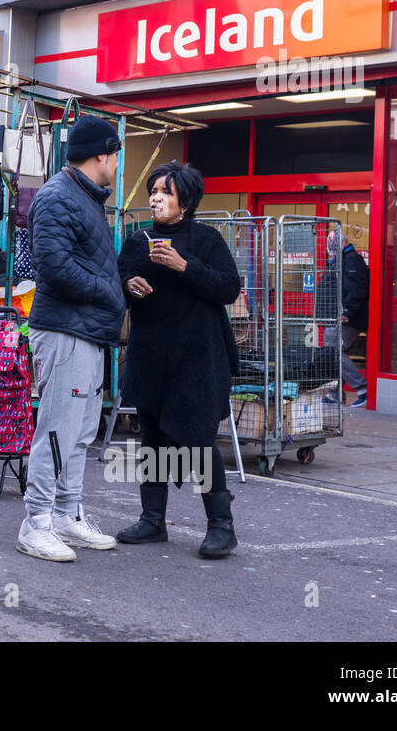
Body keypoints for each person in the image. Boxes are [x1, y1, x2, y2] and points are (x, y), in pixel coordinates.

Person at [115, 161, 242, 559]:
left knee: (199, 441)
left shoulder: (206, 240)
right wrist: (128, 285)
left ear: (185, 202)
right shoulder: (138, 240)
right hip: (152, 353)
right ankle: (153, 520)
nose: (156, 198)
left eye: (166, 192)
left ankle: (221, 525)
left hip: (197, 357)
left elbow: (229, 288)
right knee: (151, 436)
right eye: (153, 191)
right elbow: (119, 279)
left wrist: (184, 267)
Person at [18, 114, 124, 562]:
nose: (117, 164)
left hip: (85, 330)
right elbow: (55, 267)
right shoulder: (59, 196)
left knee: (81, 431)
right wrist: (109, 292)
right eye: (116, 155)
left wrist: (119, 287)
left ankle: (66, 514)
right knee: (58, 429)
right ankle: (36, 522)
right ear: (101, 154)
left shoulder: (82, 197)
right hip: (65, 330)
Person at [319, 227, 370, 408]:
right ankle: (335, 394)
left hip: (348, 319)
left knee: (333, 352)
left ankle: (363, 389)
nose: (329, 244)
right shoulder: (340, 260)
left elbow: (357, 290)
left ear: (343, 241)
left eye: (332, 241)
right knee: (332, 354)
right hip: (337, 317)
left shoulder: (351, 261)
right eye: (328, 241)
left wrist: (346, 312)